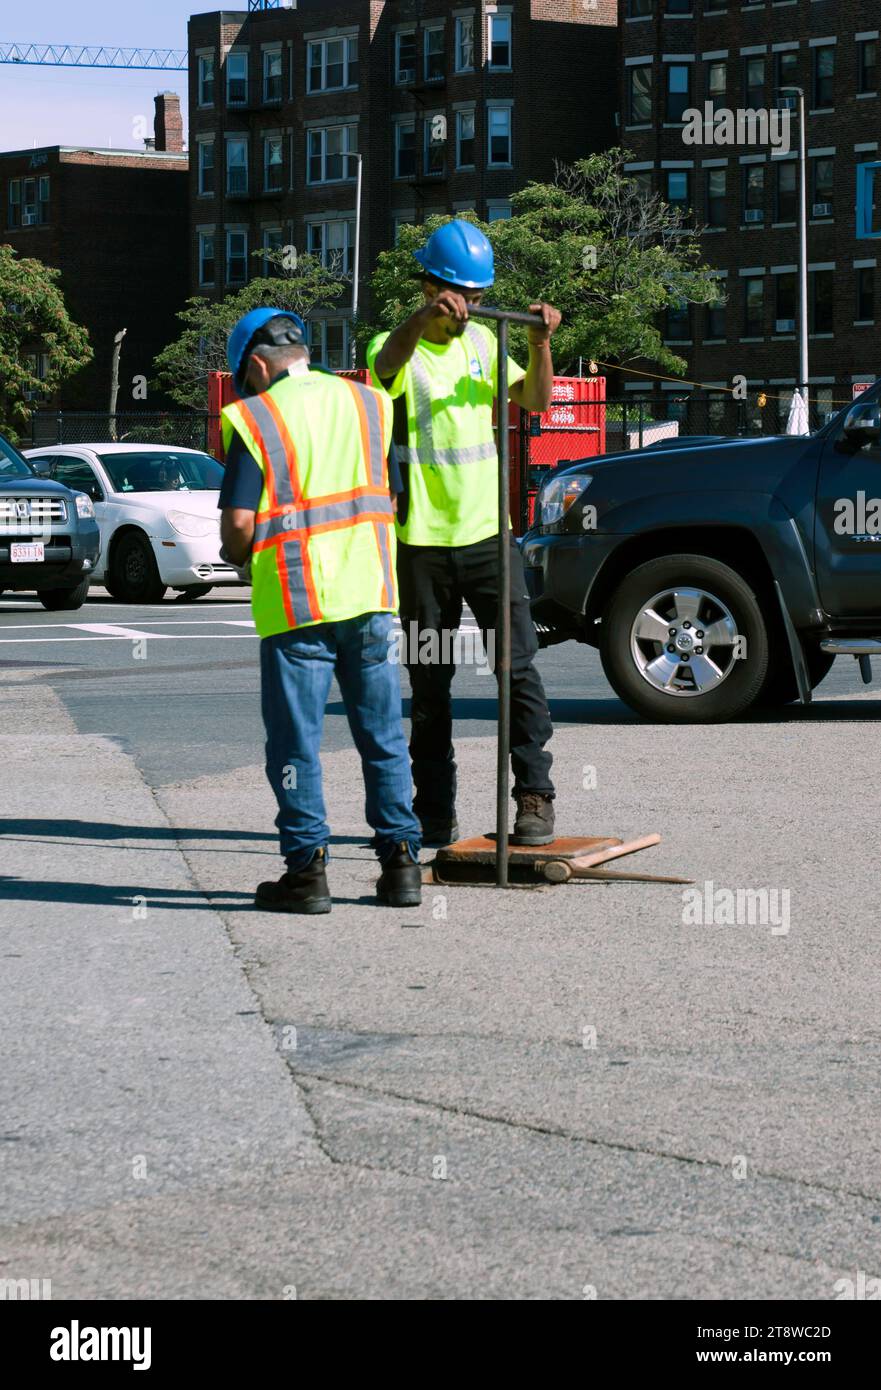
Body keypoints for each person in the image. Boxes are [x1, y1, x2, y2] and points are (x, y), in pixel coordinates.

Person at [219, 306, 422, 914]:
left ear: (257, 365)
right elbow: (396, 491)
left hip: (295, 600)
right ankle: (402, 866)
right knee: (383, 736)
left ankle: (308, 873)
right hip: (370, 595)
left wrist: (239, 556)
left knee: (295, 744)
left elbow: (237, 526)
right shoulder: (369, 403)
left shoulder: (256, 417)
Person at [366, 219, 561, 847]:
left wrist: (539, 344)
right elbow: (387, 365)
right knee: (430, 683)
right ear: (429, 286)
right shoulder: (395, 345)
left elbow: (535, 399)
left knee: (519, 672)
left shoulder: (484, 343)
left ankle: (534, 797)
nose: (467, 310)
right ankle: (435, 811)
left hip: (489, 539)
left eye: (478, 299)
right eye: (458, 297)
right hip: (422, 543)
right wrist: (422, 321)